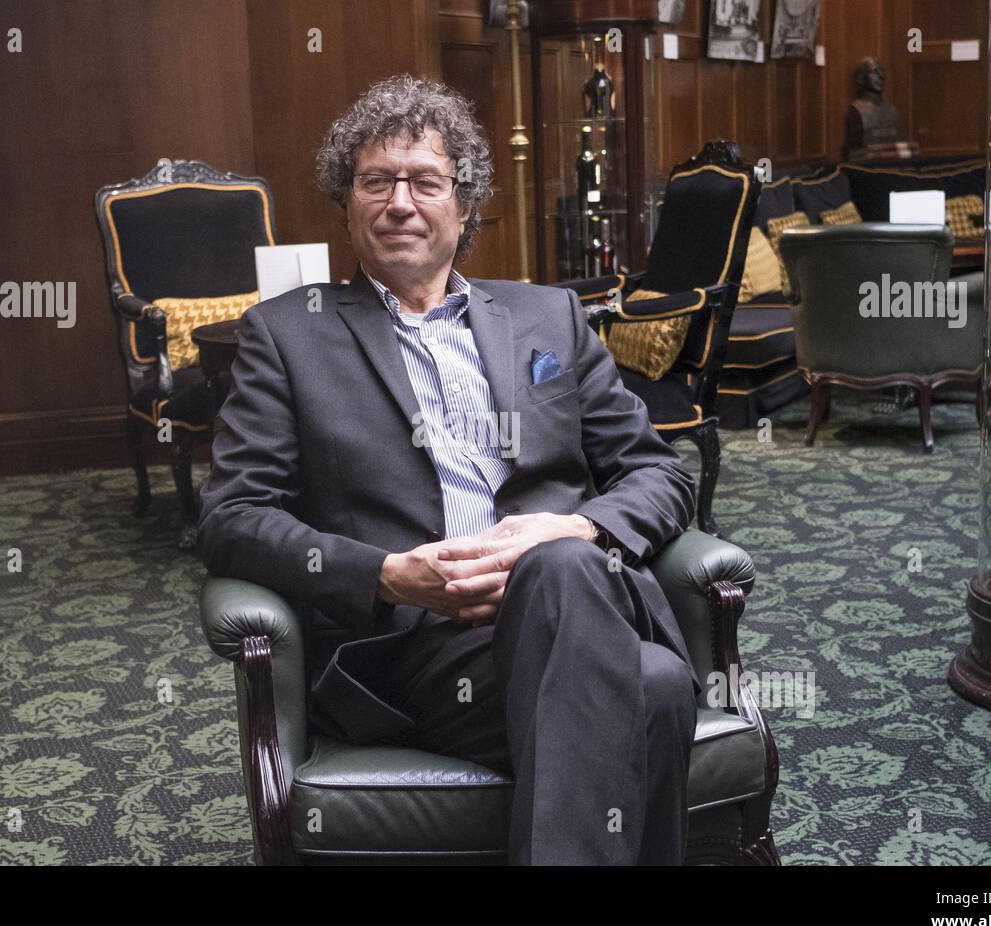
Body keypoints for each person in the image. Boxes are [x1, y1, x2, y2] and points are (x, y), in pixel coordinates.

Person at [198, 74, 701, 865]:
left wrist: (576, 525)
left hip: (579, 599)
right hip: (423, 646)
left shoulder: (550, 318)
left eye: (425, 181)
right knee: (658, 687)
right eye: (376, 182)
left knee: (563, 565)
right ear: (349, 203)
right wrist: (391, 574)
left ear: (464, 207)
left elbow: (660, 473)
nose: (400, 201)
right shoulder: (286, 338)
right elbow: (230, 520)